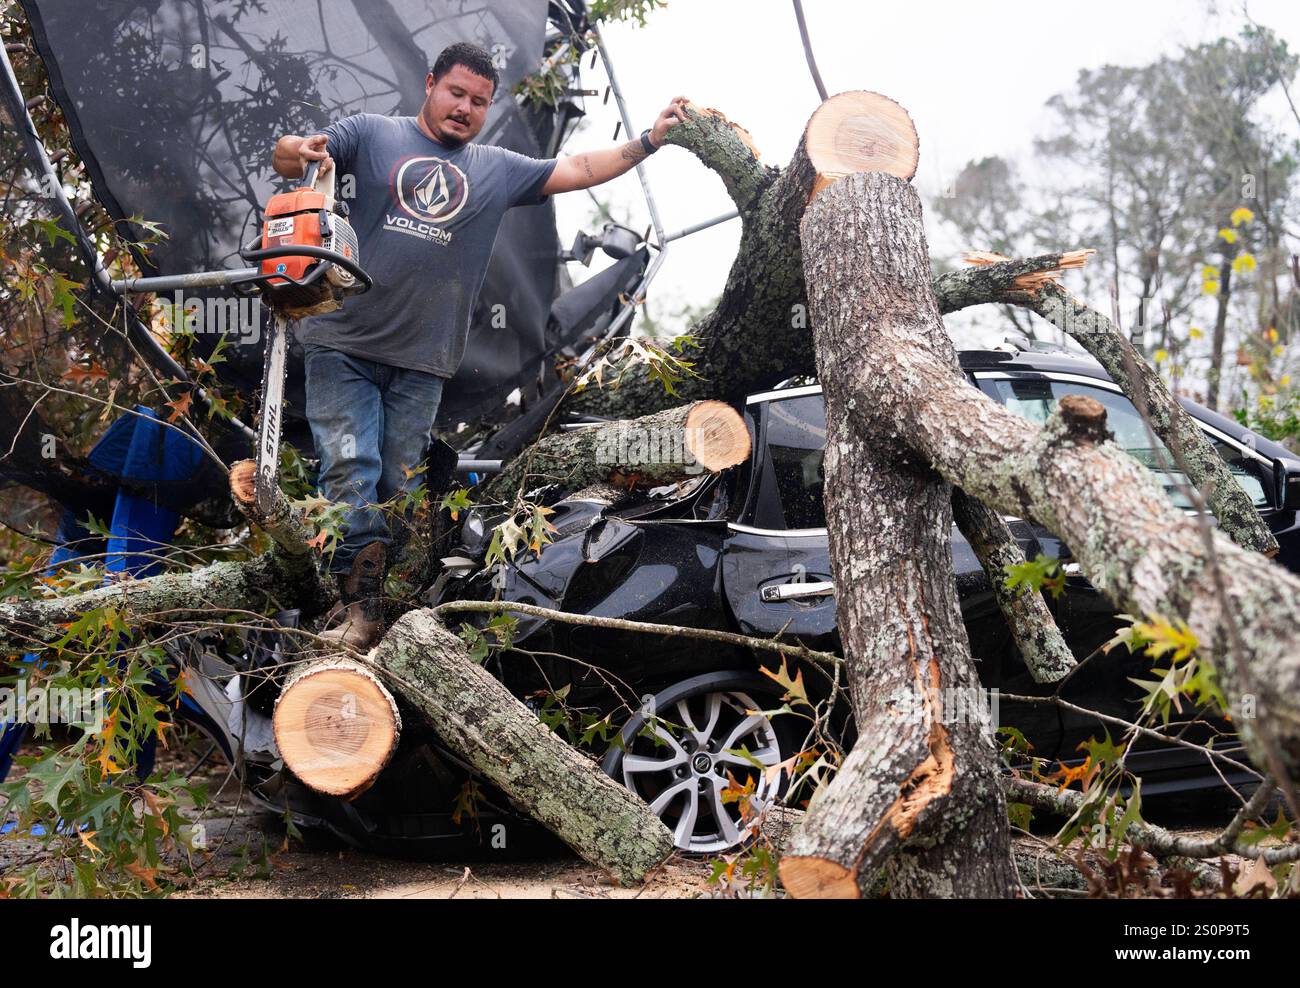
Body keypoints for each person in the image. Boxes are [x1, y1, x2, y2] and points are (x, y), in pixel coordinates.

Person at [271, 41, 688, 648]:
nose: (464, 108)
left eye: (479, 102)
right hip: (343, 344)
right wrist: (295, 150)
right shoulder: (369, 133)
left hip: (422, 363)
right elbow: (293, 158)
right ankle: (356, 610)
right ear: (430, 84)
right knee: (350, 472)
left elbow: (579, 169)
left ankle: (396, 610)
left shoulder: (496, 168)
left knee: (401, 485)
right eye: (456, 93)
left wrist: (648, 140)